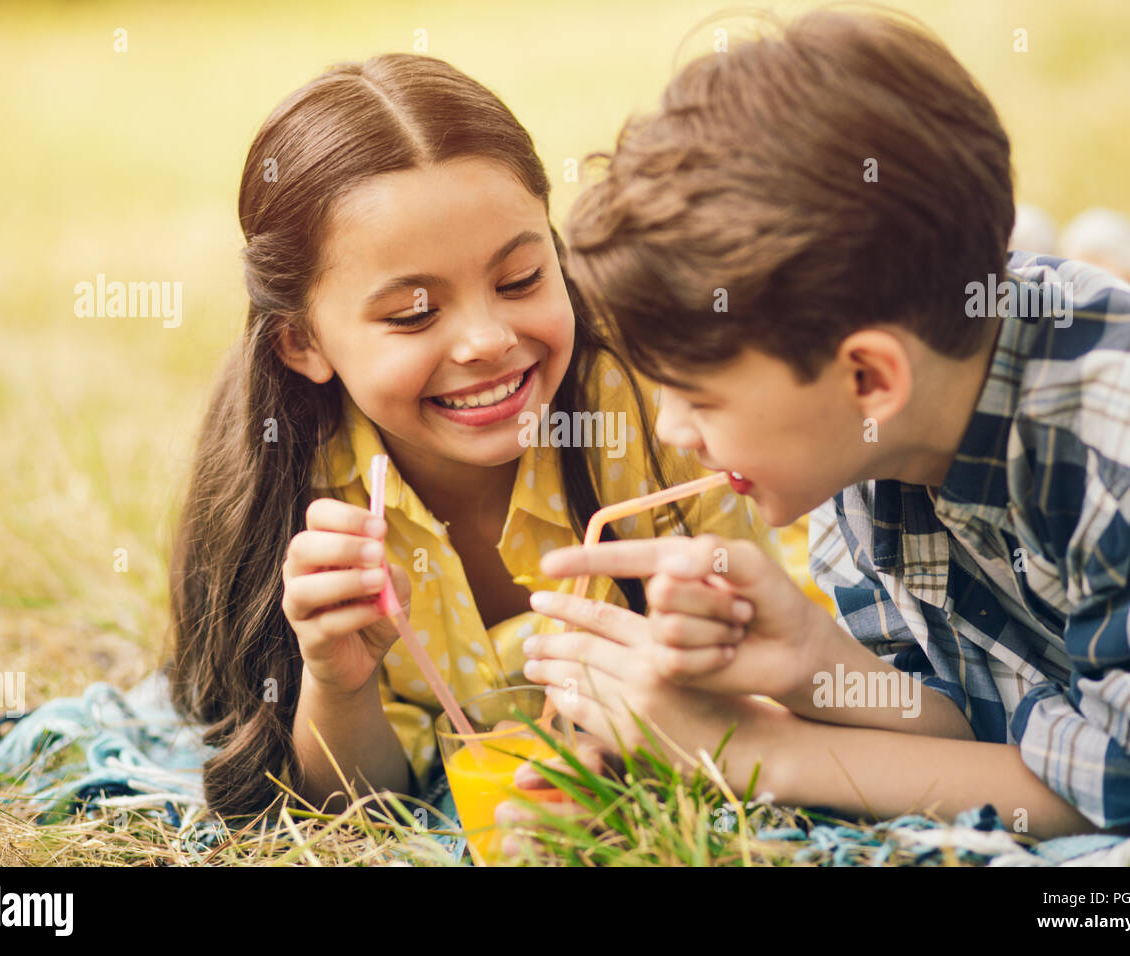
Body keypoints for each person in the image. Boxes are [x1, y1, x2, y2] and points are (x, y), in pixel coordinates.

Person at [517, 5, 1130, 841]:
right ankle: (1091, 258)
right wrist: (814, 663)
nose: (671, 430)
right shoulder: (852, 448)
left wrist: (748, 750)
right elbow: (971, 732)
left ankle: (1119, 274)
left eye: (699, 398)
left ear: (868, 376)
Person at [164, 54, 830, 819]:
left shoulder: (657, 410)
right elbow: (356, 812)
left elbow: (779, 698)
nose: (485, 340)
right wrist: (338, 683)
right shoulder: (304, 494)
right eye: (413, 314)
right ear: (303, 343)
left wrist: (639, 741)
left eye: (520, 281)